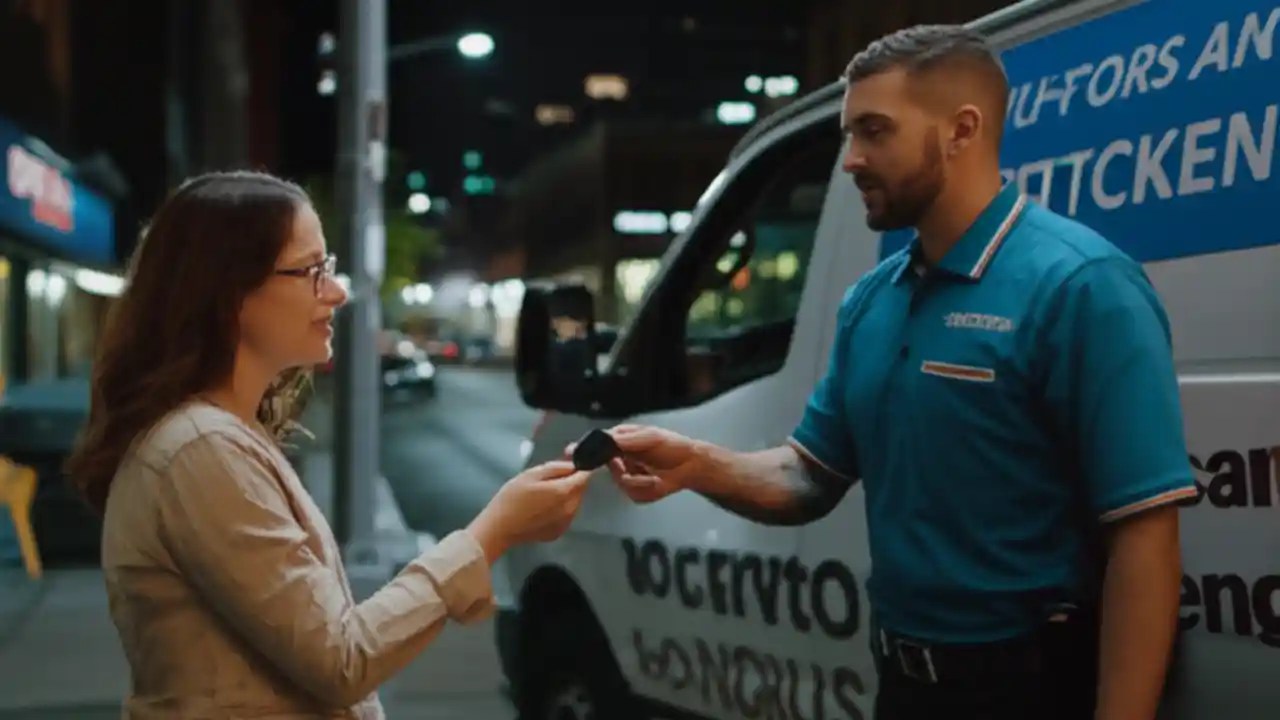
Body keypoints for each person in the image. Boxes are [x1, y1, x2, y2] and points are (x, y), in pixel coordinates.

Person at [578, 25, 1196, 720]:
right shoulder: (872, 299)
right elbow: (809, 477)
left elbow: (1144, 537)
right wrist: (693, 463)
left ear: (962, 130)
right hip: (903, 684)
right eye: (848, 134)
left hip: (1032, 686)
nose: (850, 160)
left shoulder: (1082, 285)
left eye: (873, 131)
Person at [65, 170, 591, 719]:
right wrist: (496, 530)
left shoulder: (218, 436)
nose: (337, 292)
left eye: (329, 267)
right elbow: (343, 660)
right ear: (228, 294)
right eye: (310, 271)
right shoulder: (199, 450)